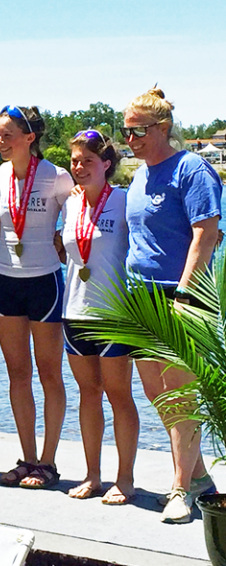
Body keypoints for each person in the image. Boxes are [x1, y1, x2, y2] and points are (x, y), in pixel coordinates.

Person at [122, 88, 220, 523]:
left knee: (181, 394)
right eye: (126, 131)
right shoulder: (139, 176)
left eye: (139, 131)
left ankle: (180, 490)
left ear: (163, 128)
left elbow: (206, 234)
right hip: (140, 296)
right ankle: (198, 479)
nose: (131, 139)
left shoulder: (192, 169)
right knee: (156, 393)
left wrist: (185, 294)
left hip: (182, 296)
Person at [0, 105, 73, 488]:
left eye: (7, 135)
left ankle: (48, 462)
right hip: (5, 282)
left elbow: (78, 222)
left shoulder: (57, 176)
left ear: (29, 137)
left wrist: (61, 244)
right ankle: (27, 458)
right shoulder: (1, 173)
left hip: (45, 283)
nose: (0, 142)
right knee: (17, 374)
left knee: (49, 374)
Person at [59, 130, 138, 504]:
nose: (79, 167)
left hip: (114, 313)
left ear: (106, 164)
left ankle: (125, 479)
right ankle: (92, 476)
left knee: (119, 395)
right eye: (75, 161)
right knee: (88, 395)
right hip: (75, 311)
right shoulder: (70, 203)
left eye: (87, 161)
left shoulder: (124, 201)